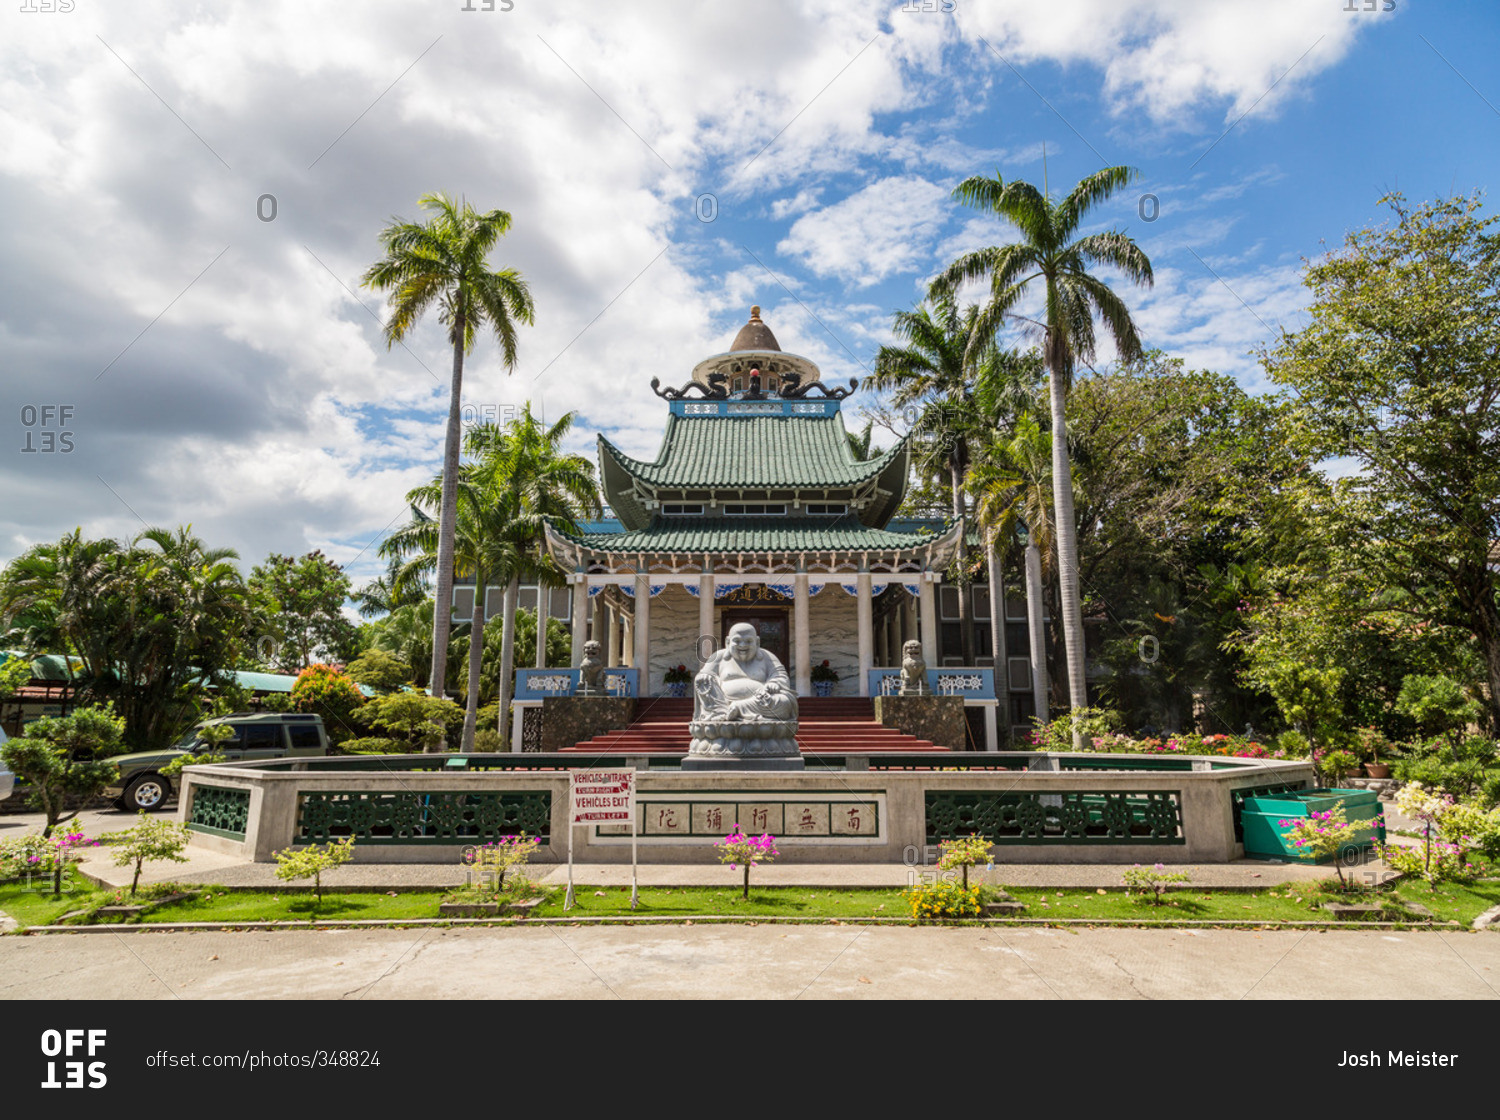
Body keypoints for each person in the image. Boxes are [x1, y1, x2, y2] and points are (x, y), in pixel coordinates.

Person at [694, 623, 797, 722]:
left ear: (757, 642)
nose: (742, 645)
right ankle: (722, 712)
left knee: (784, 702)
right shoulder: (718, 657)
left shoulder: (767, 656)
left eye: (748, 641)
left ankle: (738, 708)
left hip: (759, 701)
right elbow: (704, 675)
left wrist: (774, 683)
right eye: (737, 641)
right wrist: (704, 678)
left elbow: (781, 676)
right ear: (728, 642)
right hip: (722, 704)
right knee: (702, 682)